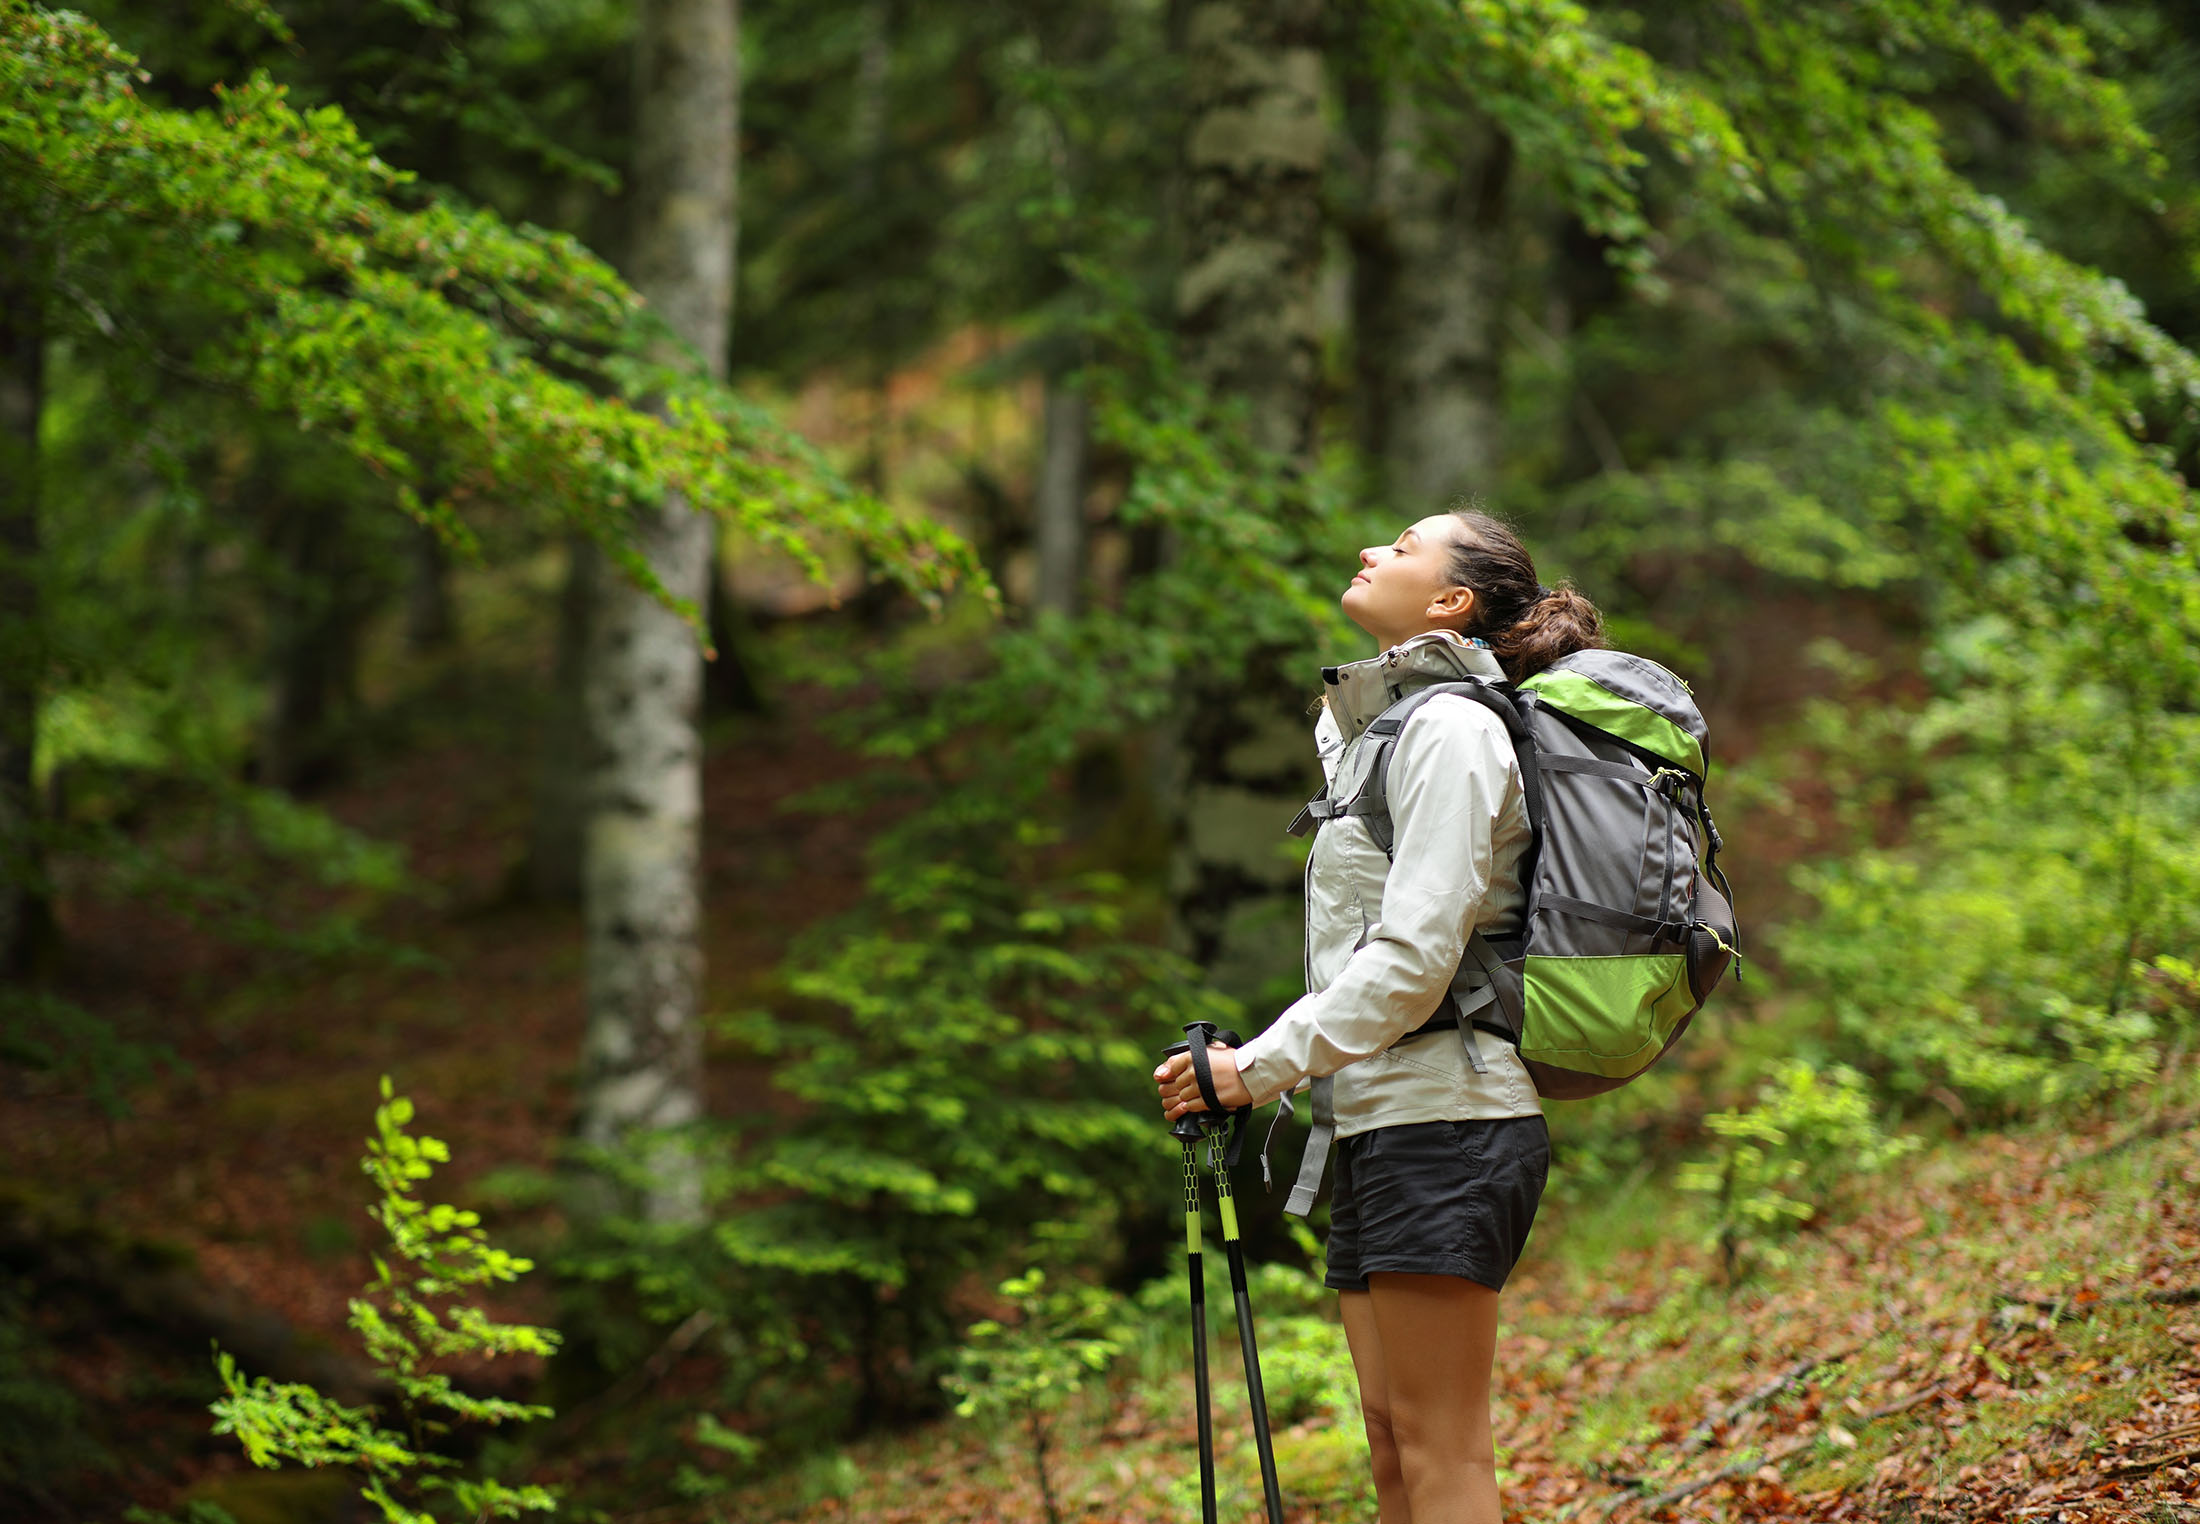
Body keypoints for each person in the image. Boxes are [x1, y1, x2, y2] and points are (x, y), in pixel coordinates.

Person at [1154, 508, 1606, 1524]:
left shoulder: (1451, 729)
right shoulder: (1378, 734)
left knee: (1443, 1452)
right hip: (1378, 1122)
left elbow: (1413, 959)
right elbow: (1373, 959)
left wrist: (1257, 1070)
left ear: (1451, 602)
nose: (1368, 552)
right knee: (1394, 1444)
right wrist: (1247, 1062)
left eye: (1401, 549)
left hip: (1451, 1119)